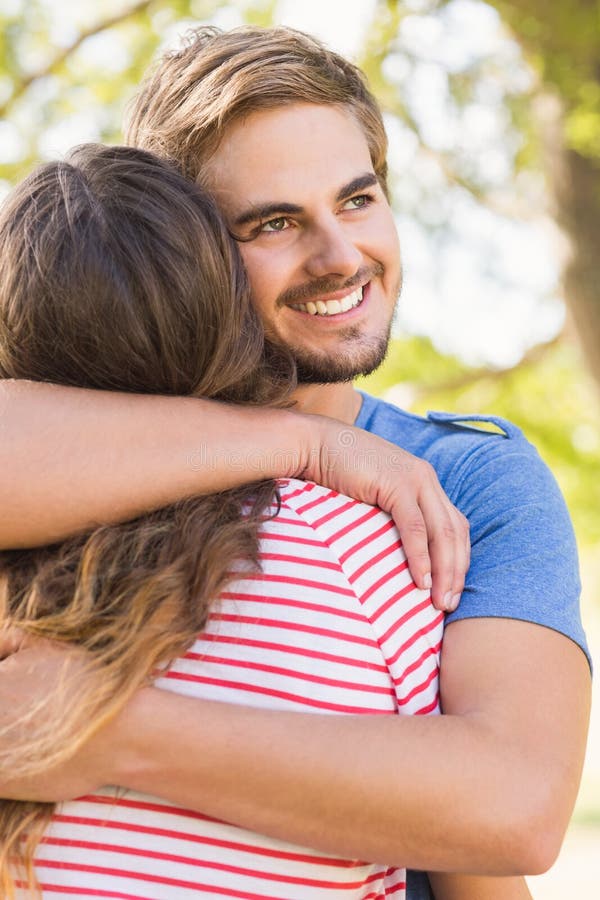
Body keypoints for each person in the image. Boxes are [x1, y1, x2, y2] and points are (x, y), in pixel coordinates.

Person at [0, 24, 590, 900]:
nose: (342, 256)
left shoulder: (463, 481)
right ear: (188, 248)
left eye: (358, 199)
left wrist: (107, 730)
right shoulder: (74, 452)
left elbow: (513, 809)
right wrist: (304, 444)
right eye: (274, 222)